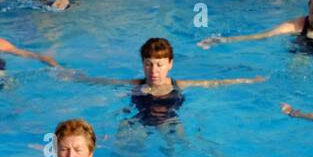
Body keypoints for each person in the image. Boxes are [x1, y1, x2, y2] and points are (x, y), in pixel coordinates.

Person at [67, 37, 266, 126]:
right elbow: (102, 81)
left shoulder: (180, 85)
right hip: (138, 122)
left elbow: (215, 83)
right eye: (149, 64)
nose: (154, 70)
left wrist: (249, 80)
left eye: (160, 64)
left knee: (181, 155)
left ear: (170, 64)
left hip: (170, 122)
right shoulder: (135, 84)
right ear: (143, 64)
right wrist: (73, 77)